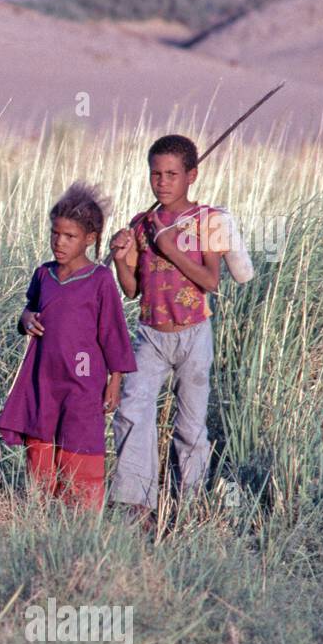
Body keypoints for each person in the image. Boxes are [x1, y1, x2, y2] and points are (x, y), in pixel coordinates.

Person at [106, 134, 231, 526]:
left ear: (192, 175)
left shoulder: (208, 220)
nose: (162, 182)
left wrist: (172, 248)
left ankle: (191, 505)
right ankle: (136, 504)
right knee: (131, 410)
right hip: (151, 333)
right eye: (156, 174)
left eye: (172, 175)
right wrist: (121, 258)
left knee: (191, 424)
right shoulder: (141, 224)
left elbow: (212, 282)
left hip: (194, 333)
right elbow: (132, 290)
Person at [0, 182, 136, 509]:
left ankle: (82, 518)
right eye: (55, 234)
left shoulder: (100, 279)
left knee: (80, 443)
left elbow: (113, 332)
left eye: (69, 236)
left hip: (83, 382)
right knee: (40, 442)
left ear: (89, 239)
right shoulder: (44, 275)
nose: (59, 242)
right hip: (42, 379)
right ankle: (40, 511)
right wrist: (26, 318)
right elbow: (28, 310)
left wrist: (115, 381)